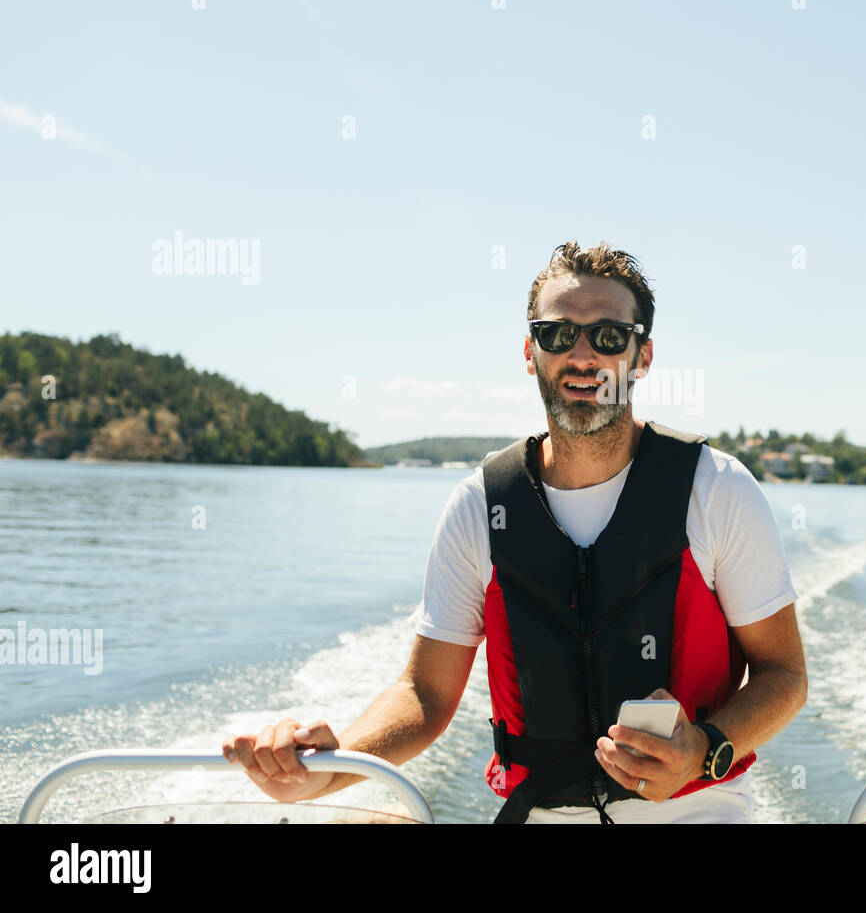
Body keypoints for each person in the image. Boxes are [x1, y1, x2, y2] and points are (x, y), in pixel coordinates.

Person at [223, 240, 807, 823]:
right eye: (557, 334)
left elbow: (784, 675)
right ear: (531, 353)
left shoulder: (715, 488)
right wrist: (326, 769)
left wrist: (704, 748)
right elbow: (425, 696)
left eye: (608, 336)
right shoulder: (480, 505)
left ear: (642, 355)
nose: (582, 355)